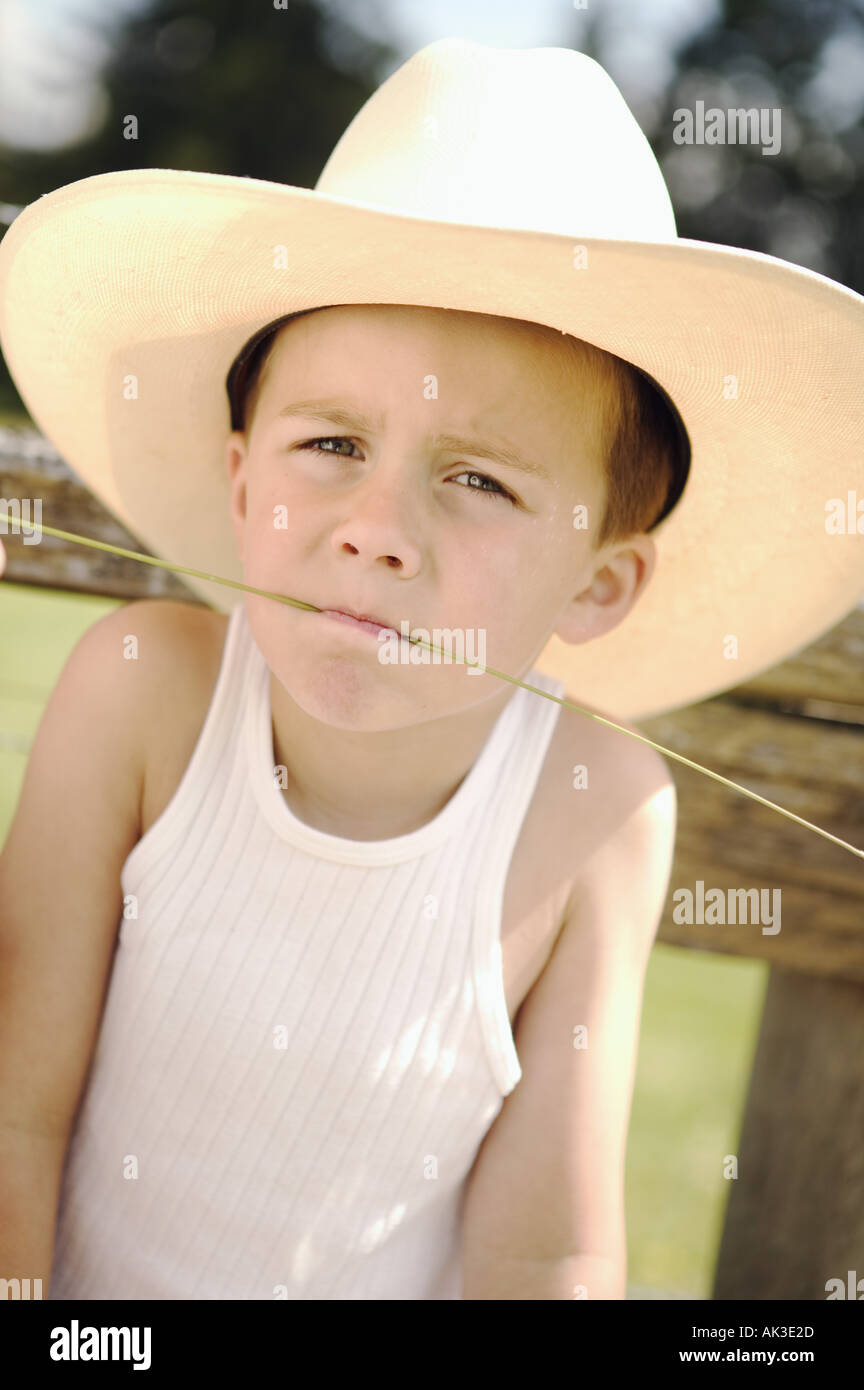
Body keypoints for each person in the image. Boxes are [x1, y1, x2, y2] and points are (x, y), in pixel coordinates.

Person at [0, 38, 861, 1302]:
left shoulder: (598, 810)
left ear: (595, 584)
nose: (377, 526)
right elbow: (13, 1109)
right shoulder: (142, 691)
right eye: (332, 441)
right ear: (242, 483)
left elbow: (547, 1250)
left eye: (478, 479)